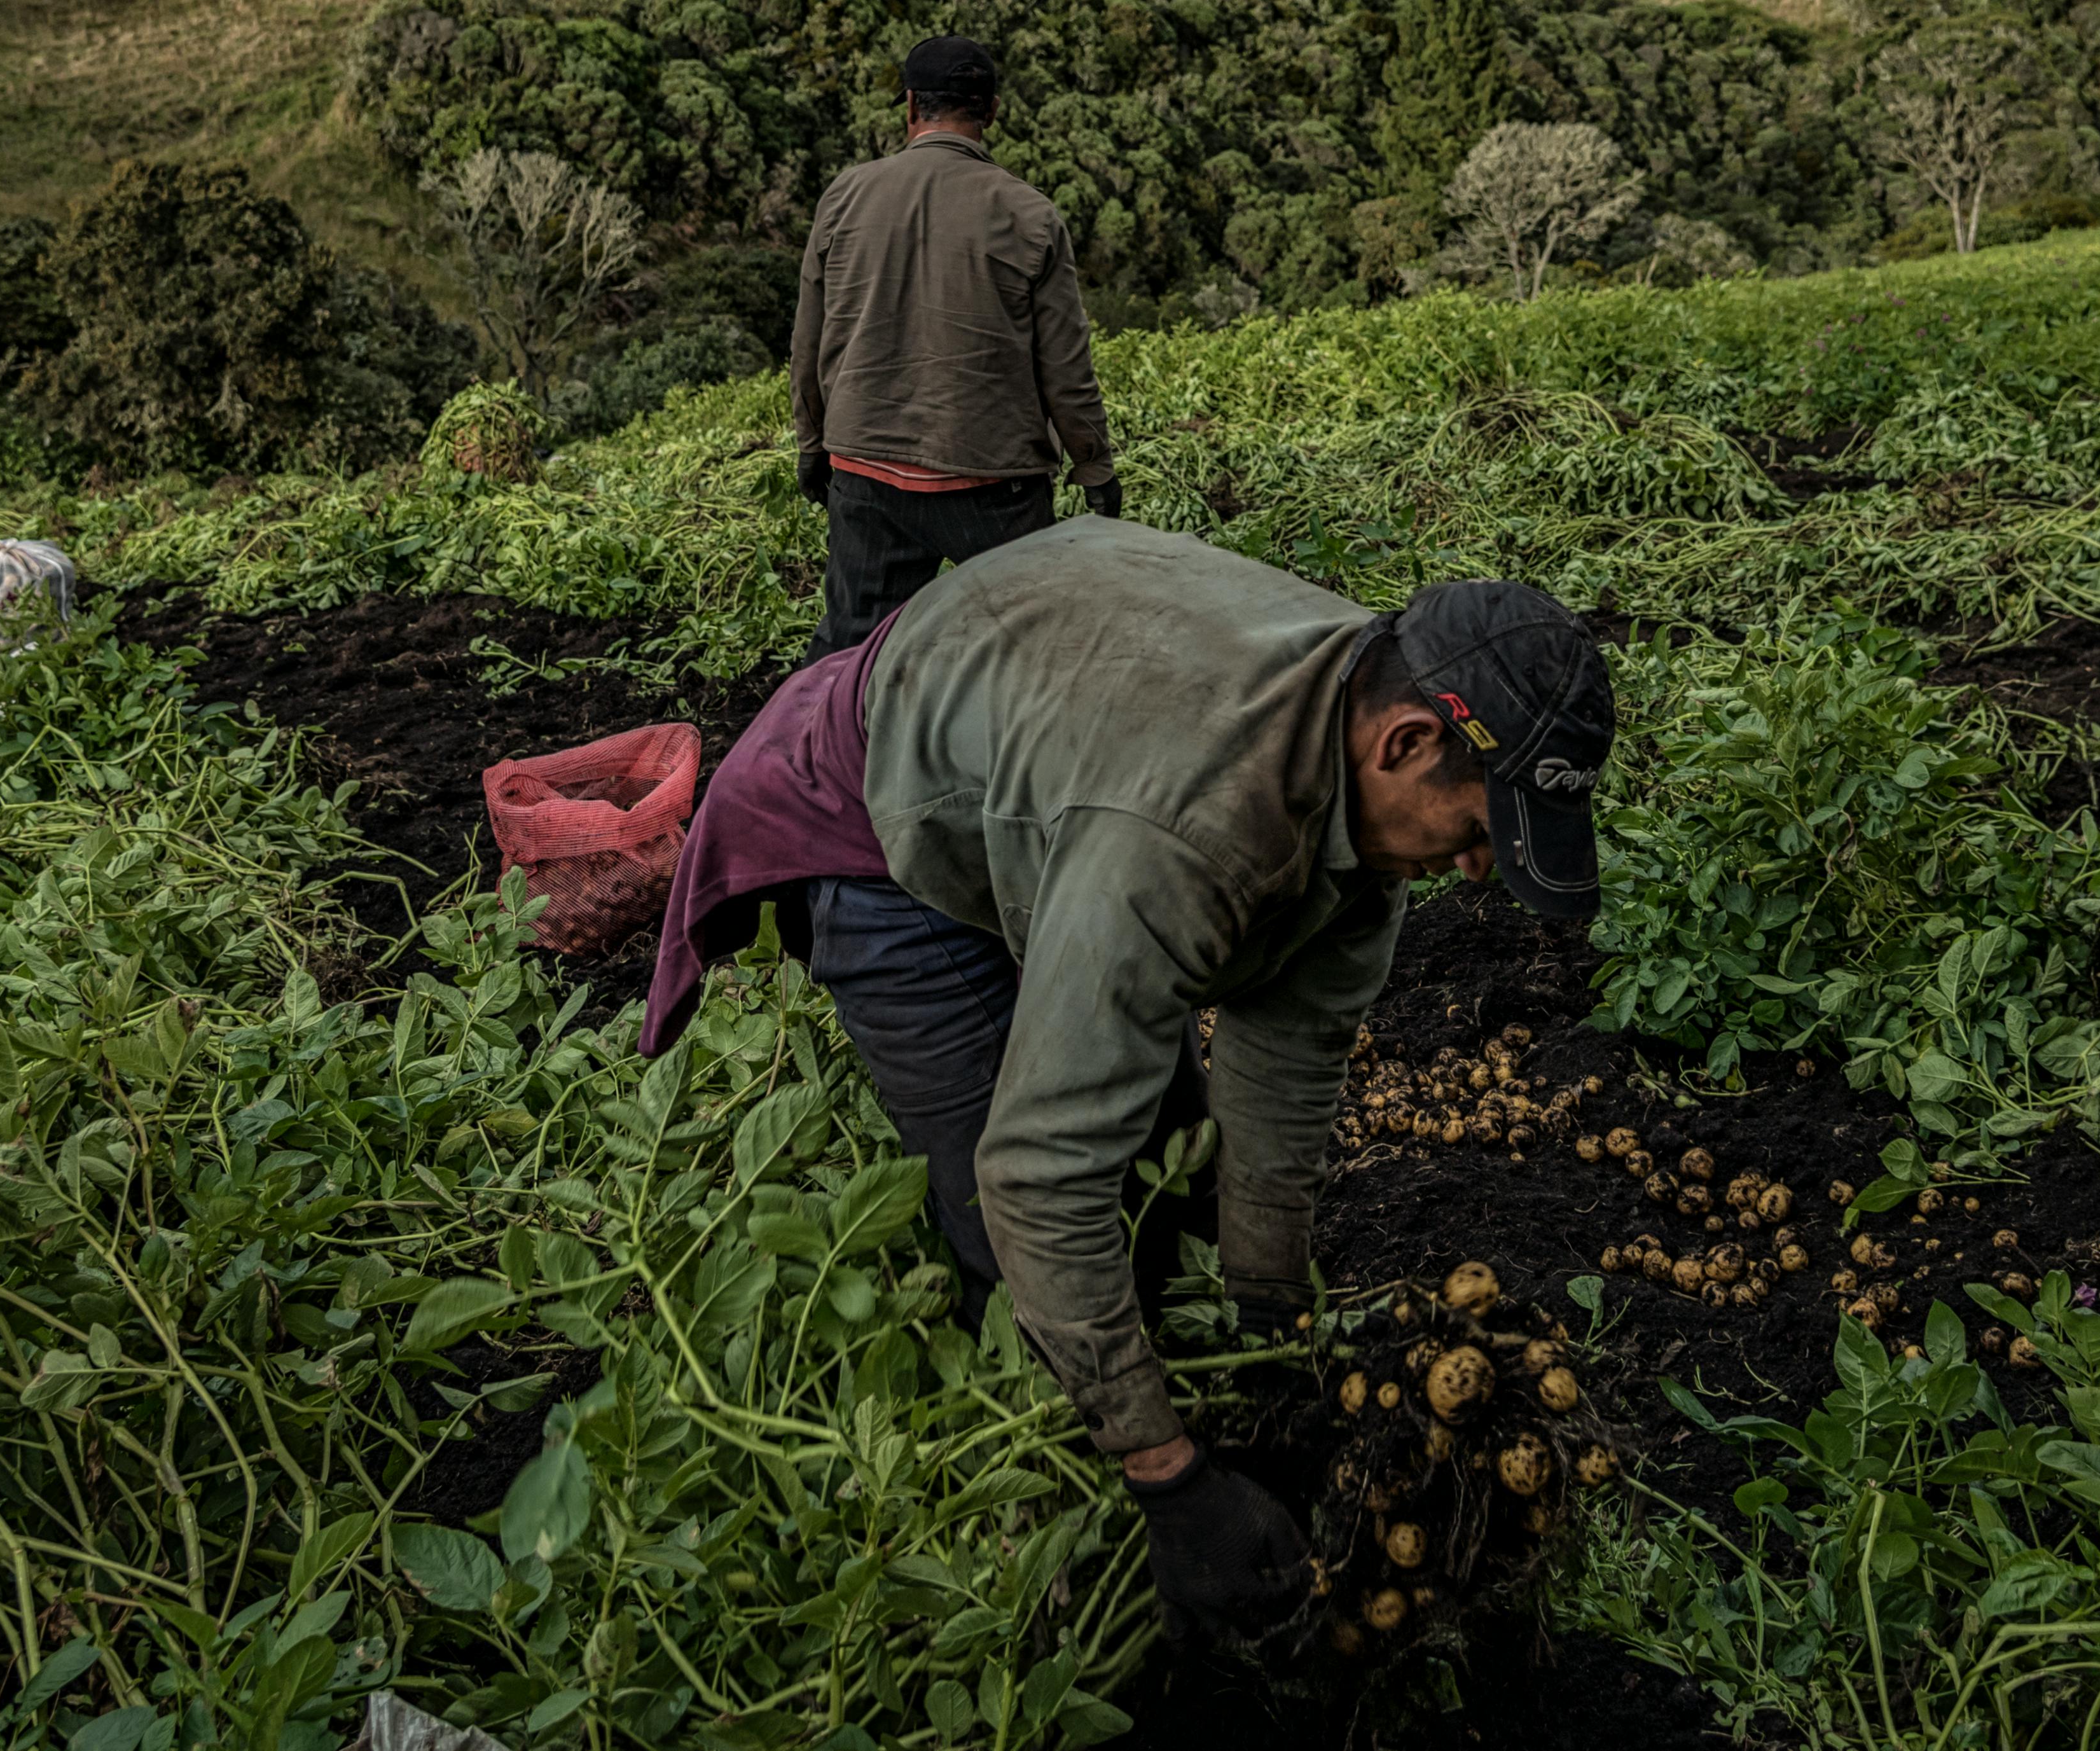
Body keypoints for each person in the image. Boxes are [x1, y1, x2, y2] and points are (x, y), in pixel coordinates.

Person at [638, 517, 1617, 1644]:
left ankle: (1141, 1426)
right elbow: (1041, 1173)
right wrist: (1168, 1477)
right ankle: (1030, 1568)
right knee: (1009, 1241)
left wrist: (1271, 1315)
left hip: (1056, 727)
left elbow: (1284, 1063)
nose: (1482, 867)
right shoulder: (1188, 830)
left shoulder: (1361, 770)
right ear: (1401, 744)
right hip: (877, 809)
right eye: (1485, 826)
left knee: (1162, 1178)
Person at [789, 33, 1117, 661]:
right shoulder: (1032, 215)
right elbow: (1066, 371)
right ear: (991, 111)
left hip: (865, 468)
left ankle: (810, 756)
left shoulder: (845, 197)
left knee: (848, 657)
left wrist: (814, 447)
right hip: (992, 483)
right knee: (1032, 656)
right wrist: (1094, 467)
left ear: (911, 107)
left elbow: (809, 342)